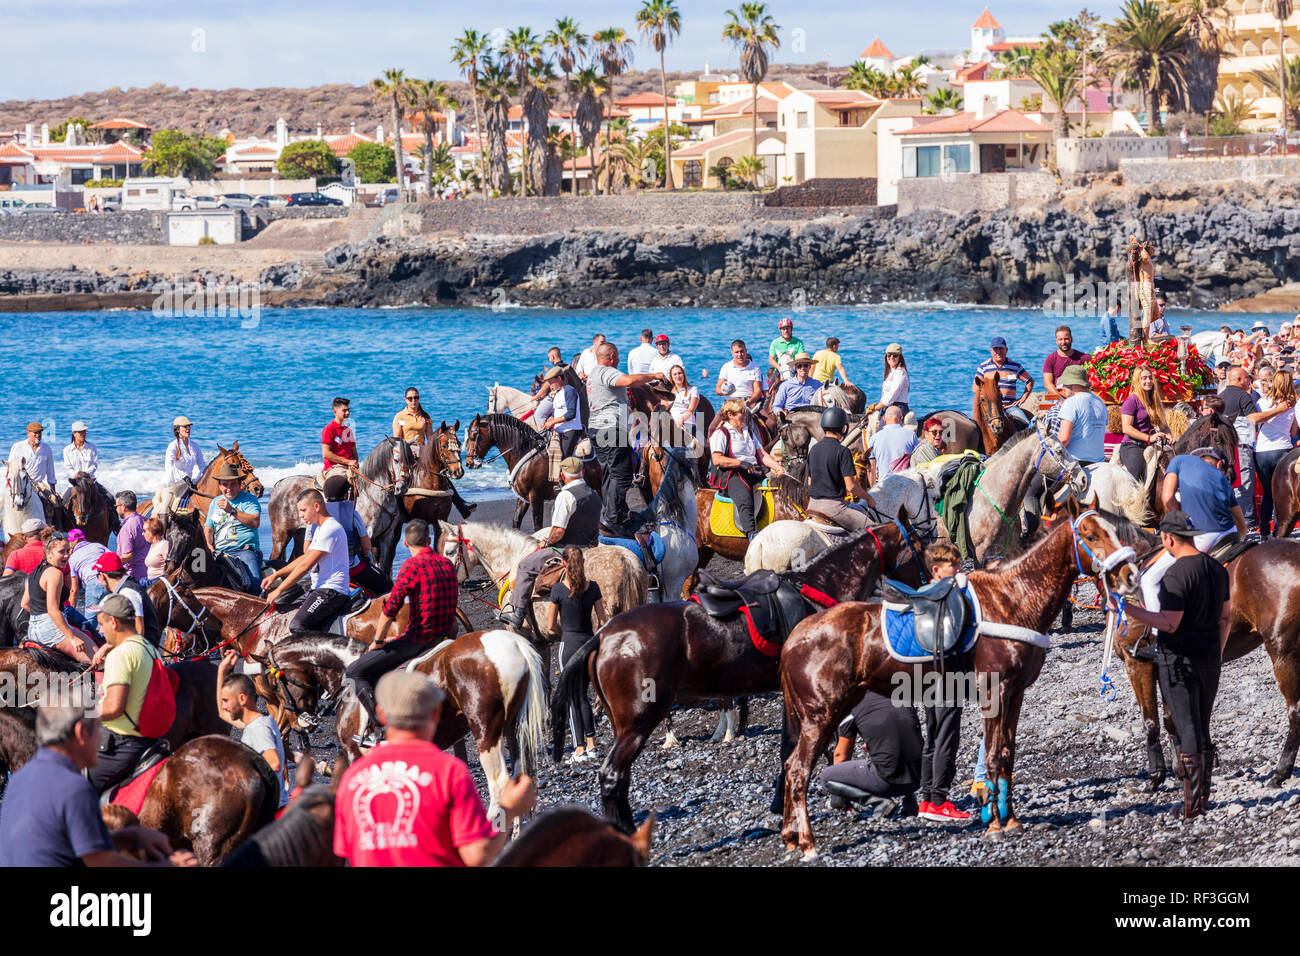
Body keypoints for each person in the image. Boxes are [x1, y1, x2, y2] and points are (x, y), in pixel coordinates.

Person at [333, 670, 536, 866]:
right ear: (436, 713)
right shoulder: (448, 772)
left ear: (381, 715)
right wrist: (508, 811)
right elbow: (478, 855)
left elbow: (343, 852)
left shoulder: (353, 777)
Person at [1112, 511, 1229, 820]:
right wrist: (1217, 650)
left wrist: (1130, 609)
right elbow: (1226, 618)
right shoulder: (1217, 568)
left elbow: (1169, 623)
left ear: (1168, 538)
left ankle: (1192, 806)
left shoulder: (1175, 575)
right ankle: (1202, 797)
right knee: (1202, 725)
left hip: (1178, 659)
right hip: (1209, 657)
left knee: (1188, 728)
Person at [0, 701, 195, 866]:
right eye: (98, 730)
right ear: (80, 733)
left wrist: (131, 837)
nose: (101, 738)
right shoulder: (73, 786)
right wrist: (169, 865)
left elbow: (72, 847)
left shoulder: (22, 778)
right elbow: (100, 861)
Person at [345, 519, 459, 747]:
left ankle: (382, 728)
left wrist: (377, 641)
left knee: (356, 672)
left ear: (405, 543)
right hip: (445, 634)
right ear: (429, 540)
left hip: (419, 639)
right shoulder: (447, 564)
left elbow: (390, 609)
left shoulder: (411, 566)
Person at [1135, 448, 1245, 643]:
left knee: (1149, 579)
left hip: (1202, 536)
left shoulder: (1179, 461)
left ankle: (1159, 637)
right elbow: (1241, 524)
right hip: (1228, 534)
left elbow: (1167, 499)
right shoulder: (1222, 479)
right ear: (1219, 464)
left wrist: (1180, 526)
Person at [501, 457, 602, 627]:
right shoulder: (594, 494)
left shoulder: (565, 496)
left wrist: (546, 542)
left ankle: (517, 612)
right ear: (582, 472)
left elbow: (559, 531)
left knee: (525, 566)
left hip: (567, 549)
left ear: (562, 475)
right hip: (591, 547)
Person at [86, 594, 164, 796]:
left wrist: (80, 713)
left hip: (120, 743)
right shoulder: (147, 647)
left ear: (113, 622)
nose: (99, 630)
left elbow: (113, 707)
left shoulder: (120, 654)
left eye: (101, 623)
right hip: (149, 739)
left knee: (71, 789)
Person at [586, 341, 666, 536]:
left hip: (597, 428)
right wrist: (654, 375)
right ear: (611, 356)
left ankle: (614, 514)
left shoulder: (593, 375)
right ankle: (613, 519)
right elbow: (629, 381)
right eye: (619, 356)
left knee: (609, 475)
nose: (620, 360)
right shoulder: (606, 371)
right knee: (622, 476)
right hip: (611, 428)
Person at [1023, 365, 1107, 539]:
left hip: (1075, 463)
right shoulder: (1099, 402)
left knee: (1030, 490)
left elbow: (1064, 439)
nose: (1064, 389)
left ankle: (1035, 536)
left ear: (1074, 384)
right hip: (1099, 461)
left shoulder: (1071, 403)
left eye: (1067, 385)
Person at [261, 489, 352, 634]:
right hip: (318, 589)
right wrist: (276, 574)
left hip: (331, 591)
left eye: (303, 510)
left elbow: (305, 566)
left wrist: (279, 590)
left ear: (316, 506)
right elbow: (304, 558)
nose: (300, 516)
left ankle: (329, 651)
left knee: (297, 626)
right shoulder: (320, 529)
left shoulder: (330, 529)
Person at [820, 690, 922, 818]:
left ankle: (879, 802)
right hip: (919, 777)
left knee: (826, 777)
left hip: (888, 782)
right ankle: (910, 802)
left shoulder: (851, 704)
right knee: (899, 745)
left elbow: (841, 756)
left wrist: (840, 794)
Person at [548, 546, 607, 762]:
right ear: (582, 562)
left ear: (564, 563)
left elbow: (551, 625)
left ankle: (579, 748)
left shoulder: (558, 590)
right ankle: (592, 745)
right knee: (584, 695)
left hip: (569, 645)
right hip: (589, 644)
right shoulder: (593, 588)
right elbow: (603, 621)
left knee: (573, 697)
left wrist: (564, 634)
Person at [1222, 365, 1290, 534]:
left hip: (1224, 448)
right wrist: (1279, 410)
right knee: (1245, 489)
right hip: (1241, 447)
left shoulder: (1221, 396)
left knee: (1233, 489)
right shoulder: (1243, 396)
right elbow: (1253, 419)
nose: (1250, 381)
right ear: (1239, 380)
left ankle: (1239, 529)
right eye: (1247, 378)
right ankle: (1234, 531)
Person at [216, 652, 288, 807]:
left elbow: (274, 763)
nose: (224, 706)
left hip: (269, 813)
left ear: (242, 699)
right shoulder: (257, 722)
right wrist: (221, 670)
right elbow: (221, 714)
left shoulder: (259, 728)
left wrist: (235, 776)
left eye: (226, 700)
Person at [709, 399, 786, 541]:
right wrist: (740, 463)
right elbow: (717, 459)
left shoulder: (748, 431)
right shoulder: (721, 433)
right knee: (744, 499)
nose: (745, 414)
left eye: (745, 411)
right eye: (741, 412)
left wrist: (778, 467)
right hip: (733, 475)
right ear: (730, 415)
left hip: (753, 472)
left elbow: (762, 454)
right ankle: (752, 534)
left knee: (771, 492)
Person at [21, 533, 95, 662]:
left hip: (32, 629)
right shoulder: (55, 574)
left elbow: (25, 603)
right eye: (62, 552)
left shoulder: (35, 571)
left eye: (68, 550)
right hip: (52, 629)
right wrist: (72, 637)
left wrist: (40, 616)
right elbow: (53, 610)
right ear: (49, 552)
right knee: (99, 661)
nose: (67, 555)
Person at [321, 473, 391, 597]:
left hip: (324, 571)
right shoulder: (353, 514)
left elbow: (307, 549)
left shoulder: (317, 515)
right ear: (345, 494)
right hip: (352, 570)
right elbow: (366, 547)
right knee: (388, 586)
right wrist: (365, 557)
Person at [806, 406, 873, 531]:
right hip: (834, 509)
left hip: (812, 505)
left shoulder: (813, 450)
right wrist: (869, 498)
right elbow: (851, 487)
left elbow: (810, 482)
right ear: (843, 428)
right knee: (875, 531)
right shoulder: (843, 452)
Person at [204, 461, 263, 587]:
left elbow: (255, 522)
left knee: (254, 584)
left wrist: (232, 510)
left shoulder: (249, 500)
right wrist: (208, 545)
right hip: (220, 552)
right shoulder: (215, 502)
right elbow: (209, 528)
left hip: (244, 551)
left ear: (240, 484)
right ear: (220, 486)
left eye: (233, 484)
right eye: (225, 484)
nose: (229, 488)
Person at [1254, 369, 1298, 534]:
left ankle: (1264, 531)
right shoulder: (1293, 405)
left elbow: (1254, 421)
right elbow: (1294, 433)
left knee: (1267, 493)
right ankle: (1279, 529)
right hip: (1283, 450)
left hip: (1262, 451)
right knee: (1283, 494)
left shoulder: (1262, 402)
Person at [91, 551, 161, 646]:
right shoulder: (128, 586)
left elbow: (139, 631)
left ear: (102, 576)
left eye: (97, 576)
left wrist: (106, 648)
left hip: (142, 649)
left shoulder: (128, 592)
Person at [1117, 365, 1173, 483]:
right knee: (1136, 471)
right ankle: (1132, 499)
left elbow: (1162, 424)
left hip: (1150, 444)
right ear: (1137, 381)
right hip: (1132, 445)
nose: (1148, 381)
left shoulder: (1154, 400)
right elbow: (1126, 428)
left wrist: (1168, 434)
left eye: (1150, 378)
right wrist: (1149, 437)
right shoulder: (1131, 401)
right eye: (1144, 378)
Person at [974, 337, 1034, 426]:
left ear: (1006, 350)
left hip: (1010, 407)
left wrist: (1023, 398)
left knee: (1027, 424)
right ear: (991, 351)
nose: (998, 352)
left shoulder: (1015, 366)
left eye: (1001, 349)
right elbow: (975, 387)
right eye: (995, 349)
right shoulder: (984, 367)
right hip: (991, 409)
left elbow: (1029, 381)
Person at [8, 422, 57, 515]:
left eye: (39, 432)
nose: (37, 435)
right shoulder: (18, 447)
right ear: (28, 433)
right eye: (35, 433)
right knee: (5, 505)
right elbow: (11, 469)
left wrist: (54, 491)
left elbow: (51, 473)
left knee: (55, 504)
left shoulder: (47, 448)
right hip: (21, 484)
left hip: (39, 484)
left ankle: (58, 527)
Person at [539, 366, 585, 459]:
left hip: (570, 429)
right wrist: (549, 419)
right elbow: (556, 412)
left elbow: (571, 414)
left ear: (559, 379)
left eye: (551, 382)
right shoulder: (557, 393)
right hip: (559, 429)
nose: (550, 385)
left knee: (562, 457)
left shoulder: (569, 391)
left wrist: (553, 422)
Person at [866, 405, 918, 484]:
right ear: (901, 418)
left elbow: (871, 468)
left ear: (884, 419)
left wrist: (873, 490)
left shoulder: (874, 438)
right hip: (905, 485)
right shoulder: (911, 435)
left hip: (883, 486)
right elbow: (916, 463)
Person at [66, 530, 108, 611]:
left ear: (70, 543)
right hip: (111, 579)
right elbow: (117, 559)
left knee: (91, 620)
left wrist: (71, 613)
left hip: (94, 583)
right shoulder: (98, 545)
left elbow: (74, 590)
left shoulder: (72, 558)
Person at [115, 490, 149, 582]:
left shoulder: (127, 528)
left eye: (116, 506)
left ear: (123, 507)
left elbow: (128, 556)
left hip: (134, 576)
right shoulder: (146, 521)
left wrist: (111, 563)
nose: (115, 509)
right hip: (149, 573)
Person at [1042, 325, 1085, 394]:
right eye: (1060, 339)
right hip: (1058, 396)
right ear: (1056, 341)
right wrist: (1060, 398)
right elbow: (1048, 384)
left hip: (1078, 395)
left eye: (1066, 339)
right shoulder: (1050, 359)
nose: (1063, 342)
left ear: (1071, 339)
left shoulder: (1083, 358)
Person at [321, 397, 359, 477]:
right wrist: (348, 462)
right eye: (344, 410)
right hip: (333, 468)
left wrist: (355, 463)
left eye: (348, 410)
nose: (347, 413)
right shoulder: (329, 429)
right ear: (335, 412)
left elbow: (354, 452)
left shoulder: (349, 431)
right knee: (340, 482)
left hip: (349, 467)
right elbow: (326, 454)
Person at [163, 416, 205, 486]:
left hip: (189, 484)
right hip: (173, 484)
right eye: (185, 426)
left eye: (189, 426)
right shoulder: (173, 446)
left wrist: (197, 480)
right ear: (178, 430)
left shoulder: (195, 446)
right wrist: (184, 477)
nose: (188, 429)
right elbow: (169, 467)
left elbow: (203, 466)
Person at [666, 363, 700, 438]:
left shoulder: (693, 390)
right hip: (671, 427)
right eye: (675, 374)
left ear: (683, 375)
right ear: (671, 377)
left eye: (679, 373)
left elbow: (691, 410)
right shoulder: (668, 392)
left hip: (687, 425)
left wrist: (680, 422)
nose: (677, 376)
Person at [878, 343, 910, 418]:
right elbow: (886, 395)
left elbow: (893, 394)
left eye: (895, 355)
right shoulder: (891, 372)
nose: (891, 357)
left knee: (881, 429)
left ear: (900, 357)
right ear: (886, 357)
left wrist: (876, 407)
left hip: (898, 408)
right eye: (889, 355)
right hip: (887, 406)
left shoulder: (900, 373)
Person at [769, 317, 804, 382]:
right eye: (783, 329)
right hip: (779, 371)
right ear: (780, 330)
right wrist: (779, 368)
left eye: (787, 328)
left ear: (791, 329)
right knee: (769, 389)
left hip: (794, 370)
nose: (786, 331)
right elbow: (771, 359)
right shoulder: (775, 343)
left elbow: (801, 358)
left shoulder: (798, 342)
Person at [142, 517, 169, 585]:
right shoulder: (152, 546)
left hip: (159, 584)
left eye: (144, 531)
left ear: (152, 531)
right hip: (150, 582)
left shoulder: (164, 545)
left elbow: (171, 566)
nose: (142, 533)